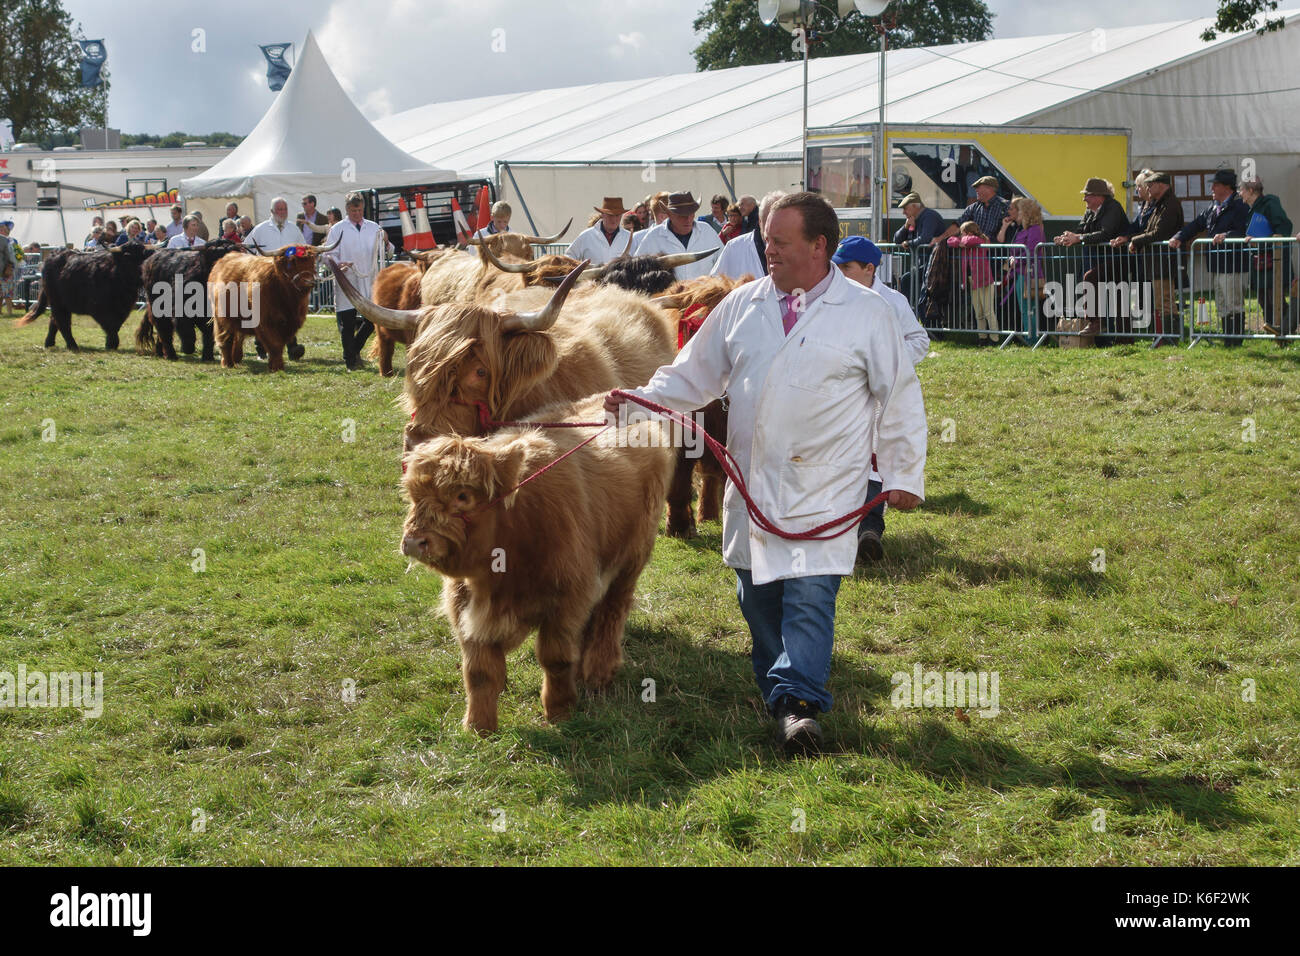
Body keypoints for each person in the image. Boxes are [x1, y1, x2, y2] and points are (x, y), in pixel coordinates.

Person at [605, 192, 926, 756]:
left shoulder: (867, 313)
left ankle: (798, 705)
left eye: (779, 241)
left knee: (808, 596)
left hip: (825, 488)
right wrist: (637, 401)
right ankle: (782, 687)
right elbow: (692, 376)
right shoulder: (742, 305)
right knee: (757, 598)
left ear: (818, 246)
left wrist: (901, 472)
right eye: (766, 239)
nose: (766, 250)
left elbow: (897, 396)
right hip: (751, 483)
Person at [830, 236, 929, 564]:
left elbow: (919, 339)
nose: (839, 272)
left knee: (874, 459)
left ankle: (870, 529)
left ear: (869, 268)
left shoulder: (893, 301)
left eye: (847, 267)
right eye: (837, 265)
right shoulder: (830, 297)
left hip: (878, 394)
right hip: (841, 393)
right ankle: (840, 528)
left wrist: (891, 361)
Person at [1171, 169, 1252, 344]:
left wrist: (1227, 235)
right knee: (1222, 303)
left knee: (1233, 303)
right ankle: (1227, 338)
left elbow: (1244, 230)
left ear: (1227, 187)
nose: (1212, 188)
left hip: (1234, 263)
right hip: (1217, 263)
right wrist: (1179, 236)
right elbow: (1196, 224)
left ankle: (1235, 340)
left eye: (1216, 185)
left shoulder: (1240, 206)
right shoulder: (1212, 208)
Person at [323, 191, 385, 371]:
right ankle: (351, 362)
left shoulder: (374, 228)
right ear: (347, 209)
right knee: (347, 322)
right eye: (352, 211)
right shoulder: (338, 229)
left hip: (369, 279)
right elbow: (327, 255)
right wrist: (337, 264)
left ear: (363, 208)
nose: (356, 214)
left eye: (358, 210)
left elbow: (387, 251)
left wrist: (387, 242)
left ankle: (354, 348)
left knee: (372, 320)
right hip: (347, 280)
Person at [1118, 172, 1183, 340]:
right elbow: (1148, 230)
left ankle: (1171, 338)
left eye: (1150, 185)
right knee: (1162, 301)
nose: (1147, 188)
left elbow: (1158, 233)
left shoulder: (1170, 205)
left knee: (1165, 301)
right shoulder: (1159, 204)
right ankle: (1166, 337)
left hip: (1164, 259)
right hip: (1156, 260)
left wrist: (1135, 240)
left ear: (1160, 185)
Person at [1239, 178, 1293, 337]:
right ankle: (1272, 333)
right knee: (1263, 299)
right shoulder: (1252, 208)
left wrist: (1263, 240)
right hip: (1260, 261)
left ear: (1250, 191)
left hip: (1273, 261)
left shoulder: (1270, 203)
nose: (1239, 193)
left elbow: (1283, 227)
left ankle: (1285, 332)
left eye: (1241, 190)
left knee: (1275, 299)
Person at [633, 190, 722, 280]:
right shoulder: (653, 237)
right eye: (682, 215)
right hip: (669, 293)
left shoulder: (707, 232)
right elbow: (636, 270)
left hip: (704, 292)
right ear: (670, 215)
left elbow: (724, 265)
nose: (688, 219)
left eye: (691, 214)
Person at [997, 197, 1046, 342]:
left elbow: (1032, 251)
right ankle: (1031, 338)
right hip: (1020, 273)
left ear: (1022, 211)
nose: (1009, 211)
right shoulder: (1021, 229)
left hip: (1029, 274)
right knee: (1025, 309)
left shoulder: (1035, 229)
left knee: (1029, 309)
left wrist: (1015, 261)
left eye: (1013, 208)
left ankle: (1032, 340)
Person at [711, 190, 786, 280]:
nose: (777, 228)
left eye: (785, 222)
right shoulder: (734, 248)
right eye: (771, 221)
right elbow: (715, 284)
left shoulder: (801, 248)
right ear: (760, 220)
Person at [948, 222, 997, 343]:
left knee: (988, 311)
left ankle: (994, 338)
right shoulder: (965, 240)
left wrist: (962, 241)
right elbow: (950, 241)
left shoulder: (981, 239)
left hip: (984, 280)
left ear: (969, 232)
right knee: (978, 312)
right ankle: (982, 337)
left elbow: (971, 241)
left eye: (962, 232)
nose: (961, 235)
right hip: (972, 280)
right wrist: (960, 241)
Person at [935, 176, 1008, 247]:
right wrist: (940, 238)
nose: (976, 190)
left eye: (978, 187)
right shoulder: (973, 207)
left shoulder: (1005, 206)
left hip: (996, 254)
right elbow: (958, 225)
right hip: (975, 254)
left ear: (989, 188)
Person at [565, 197, 634, 264]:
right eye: (610, 215)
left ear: (621, 215)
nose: (613, 219)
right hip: (592, 276)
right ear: (602, 214)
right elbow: (568, 258)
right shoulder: (586, 236)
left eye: (617, 215)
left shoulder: (629, 238)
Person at [0, 220, 18, 316]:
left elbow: (18, 254)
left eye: (6, 229)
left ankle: (9, 312)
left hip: (7, 268)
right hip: (5, 267)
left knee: (7, 292)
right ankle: (6, 312)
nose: (4, 230)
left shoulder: (12, 241)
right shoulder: (10, 240)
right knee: (4, 292)